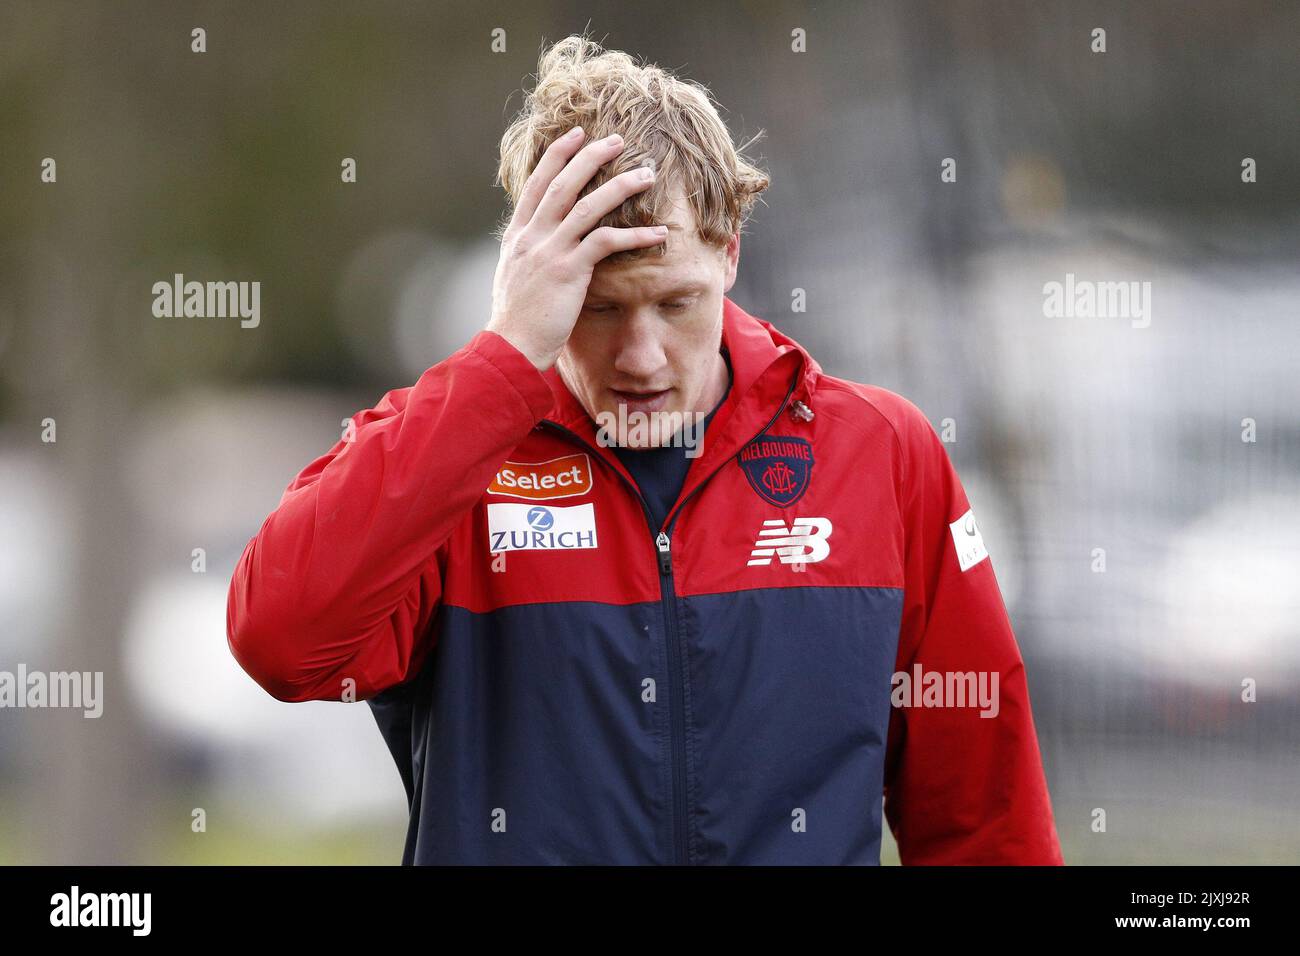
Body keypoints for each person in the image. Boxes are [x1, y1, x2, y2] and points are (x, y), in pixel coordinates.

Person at [226, 35, 1063, 865]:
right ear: (529, 280)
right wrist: (502, 359)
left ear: (730, 252)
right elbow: (282, 642)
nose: (642, 356)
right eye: (597, 309)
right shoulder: (454, 459)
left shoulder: (885, 456)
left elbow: (987, 824)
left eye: (675, 303)